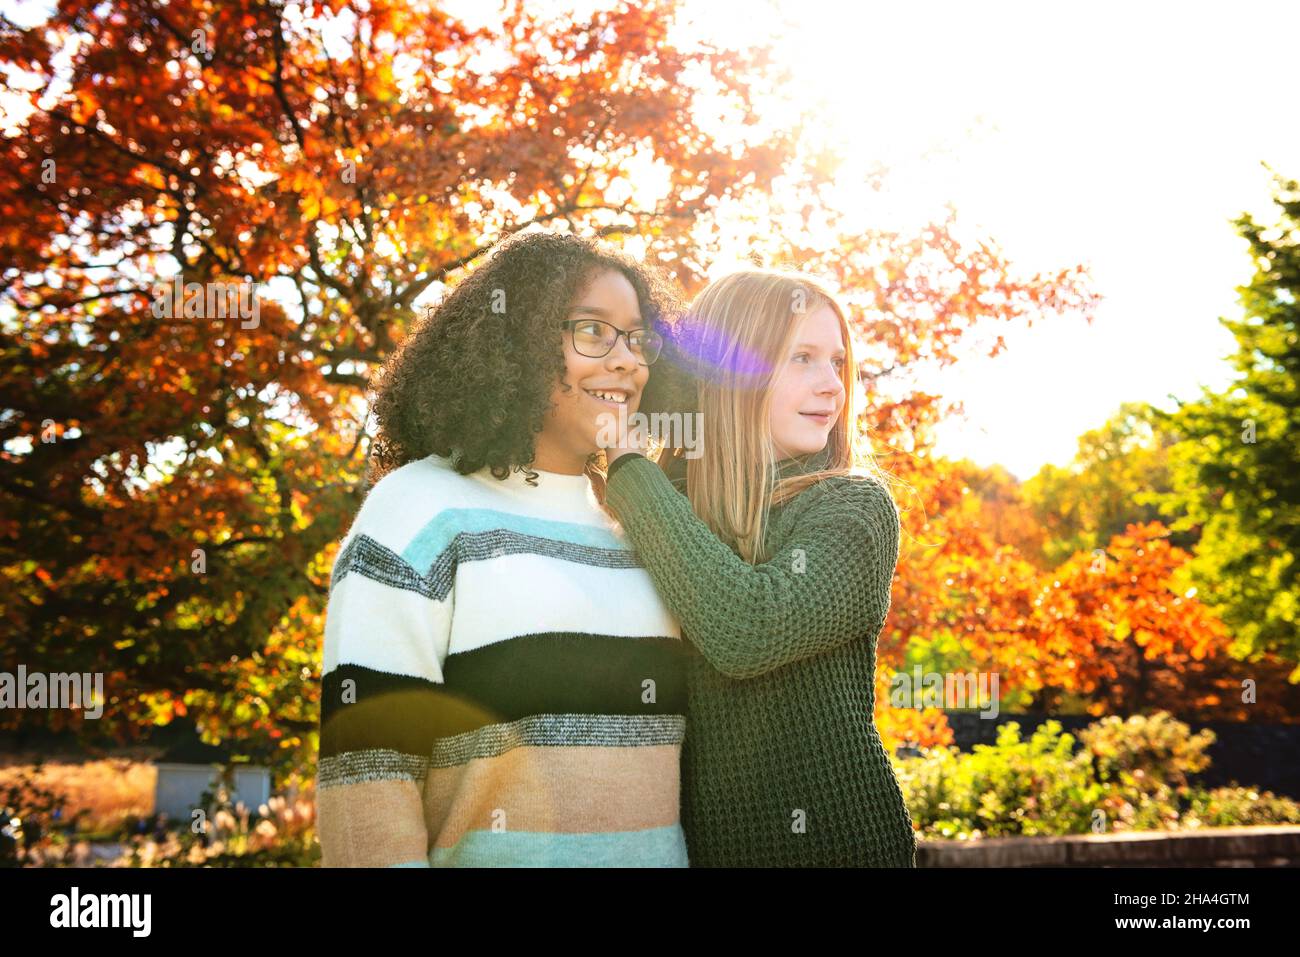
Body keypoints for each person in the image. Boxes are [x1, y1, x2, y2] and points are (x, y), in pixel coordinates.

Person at [316, 228, 691, 867]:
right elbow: (369, 777)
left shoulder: (648, 523)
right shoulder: (419, 509)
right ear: (514, 343)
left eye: (637, 338)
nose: (628, 360)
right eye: (593, 331)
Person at [602, 268, 917, 866]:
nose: (832, 386)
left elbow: (749, 629)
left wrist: (627, 466)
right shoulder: (663, 502)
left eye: (838, 363)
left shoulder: (853, 508)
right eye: (802, 358)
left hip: (838, 854)